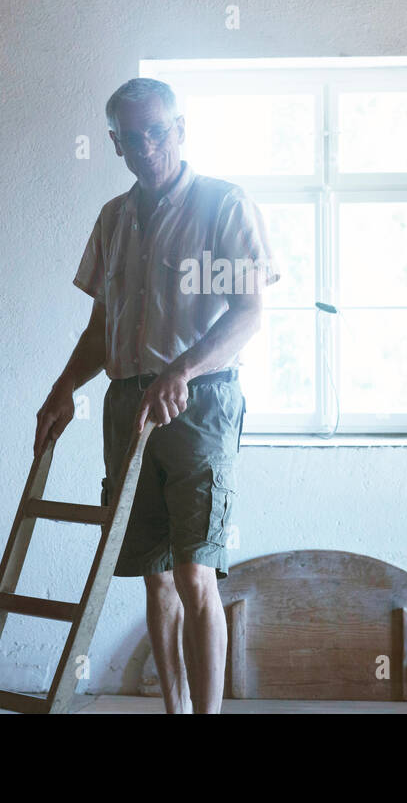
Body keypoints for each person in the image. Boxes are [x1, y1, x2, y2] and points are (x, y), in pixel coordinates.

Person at [34, 77, 278, 713]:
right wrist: (63, 389)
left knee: (197, 570)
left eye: (157, 132)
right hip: (127, 405)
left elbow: (250, 313)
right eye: (131, 137)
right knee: (155, 574)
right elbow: (100, 330)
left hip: (200, 404)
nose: (147, 147)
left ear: (180, 130)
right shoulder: (113, 218)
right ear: (114, 144)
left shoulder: (223, 206)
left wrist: (184, 372)